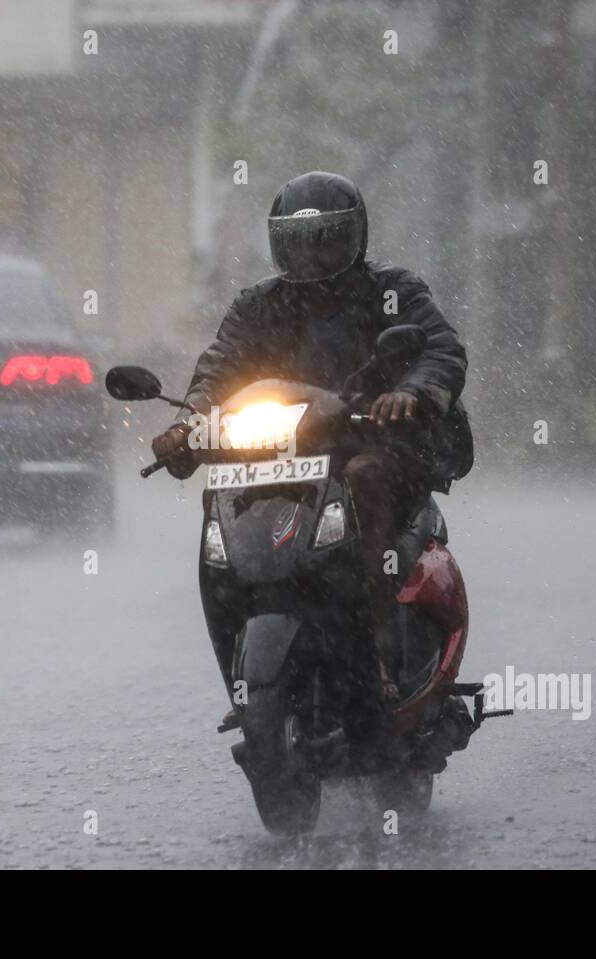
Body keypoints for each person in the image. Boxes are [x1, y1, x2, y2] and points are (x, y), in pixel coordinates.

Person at [152, 171, 472, 710]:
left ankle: (376, 647)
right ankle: (242, 673)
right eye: (298, 241)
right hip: (284, 453)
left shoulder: (393, 292)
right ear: (277, 244)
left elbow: (439, 350)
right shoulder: (257, 306)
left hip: (378, 444)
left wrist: (409, 393)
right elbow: (218, 371)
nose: (313, 255)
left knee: (365, 478)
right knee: (221, 496)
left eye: (328, 238)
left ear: (357, 237)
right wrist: (189, 425)